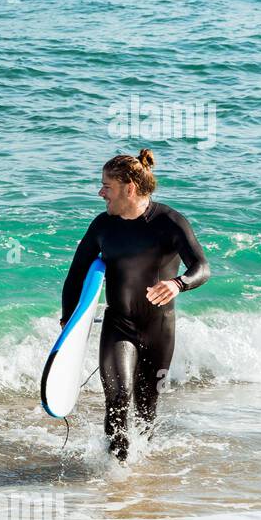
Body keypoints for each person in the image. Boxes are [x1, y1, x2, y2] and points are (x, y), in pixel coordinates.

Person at [60, 149, 210, 463]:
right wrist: (67, 325)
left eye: (106, 186)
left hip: (159, 330)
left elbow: (202, 267)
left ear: (129, 188)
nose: (100, 192)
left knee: (146, 408)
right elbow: (76, 277)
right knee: (117, 398)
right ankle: (115, 472)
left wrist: (177, 283)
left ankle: (139, 483)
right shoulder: (103, 226)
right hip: (119, 325)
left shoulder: (169, 222)